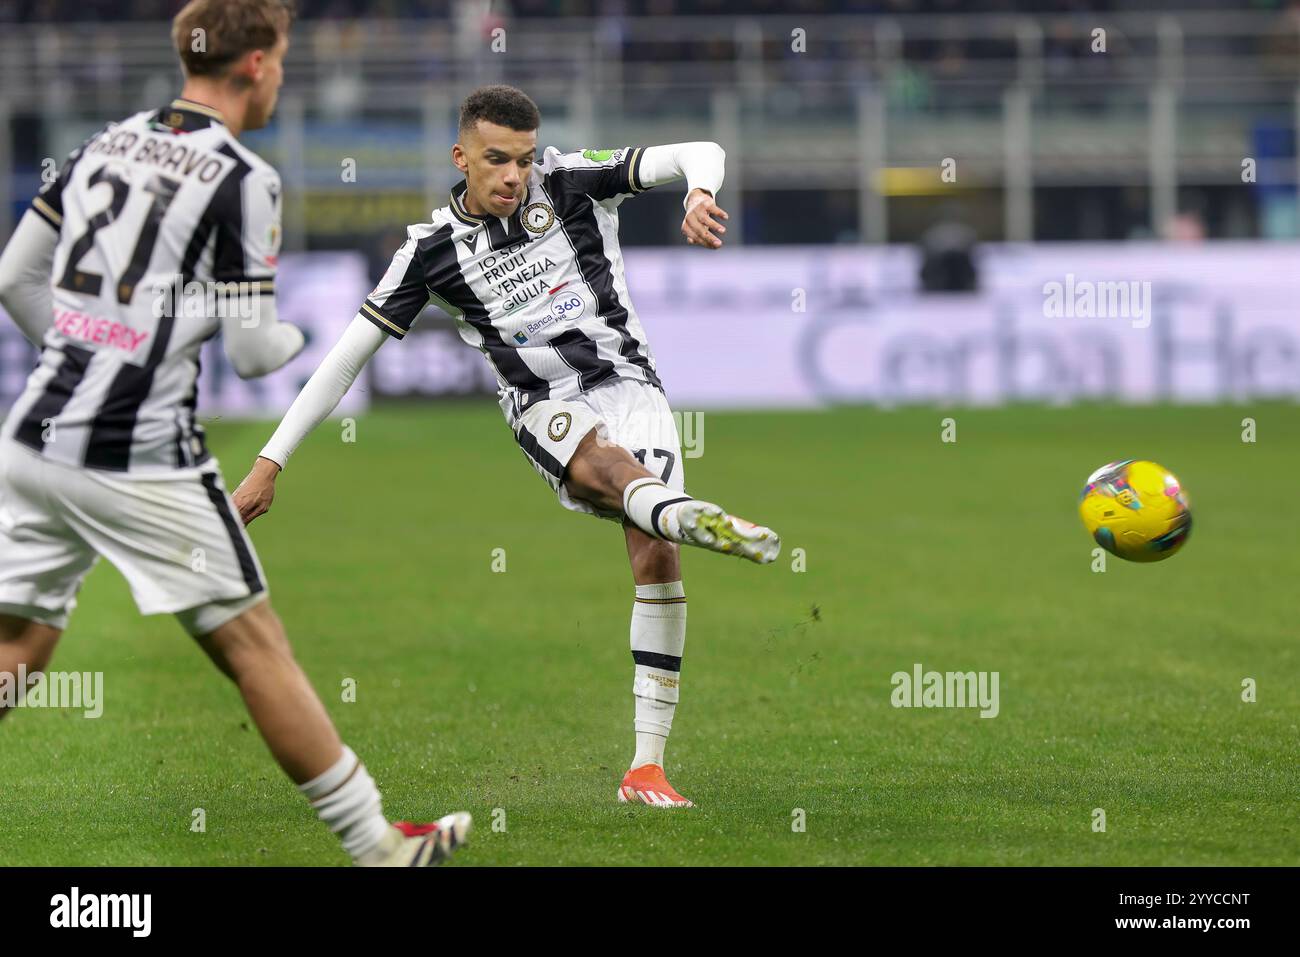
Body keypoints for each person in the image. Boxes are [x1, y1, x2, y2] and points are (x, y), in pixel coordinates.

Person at [0, 0, 469, 866]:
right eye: (284, 57)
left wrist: (80, 354)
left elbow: (13, 275)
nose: (285, 73)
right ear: (254, 64)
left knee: (21, 642)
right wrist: (291, 335)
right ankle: (378, 844)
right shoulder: (242, 177)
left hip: (32, 436)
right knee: (256, 645)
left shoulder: (103, 143)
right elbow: (254, 355)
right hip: (138, 456)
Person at [234, 84, 781, 809]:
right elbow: (341, 362)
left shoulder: (572, 181)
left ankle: (646, 767)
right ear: (461, 157)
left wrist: (697, 192)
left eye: (523, 160)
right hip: (541, 404)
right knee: (612, 477)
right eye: (497, 160)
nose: (514, 176)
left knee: (653, 554)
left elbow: (696, 151)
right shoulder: (429, 254)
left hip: (630, 385)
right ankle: (679, 510)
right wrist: (269, 464)